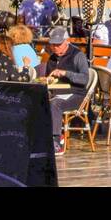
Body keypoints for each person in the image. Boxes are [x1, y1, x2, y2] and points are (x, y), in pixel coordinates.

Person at [37, 25, 90, 155]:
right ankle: (38, 138)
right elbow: (51, 79)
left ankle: (56, 140)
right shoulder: (52, 57)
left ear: (67, 41)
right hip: (57, 92)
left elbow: (84, 79)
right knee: (37, 101)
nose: (55, 48)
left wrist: (66, 73)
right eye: (52, 45)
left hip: (76, 93)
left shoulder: (78, 55)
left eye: (58, 44)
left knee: (55, 104)